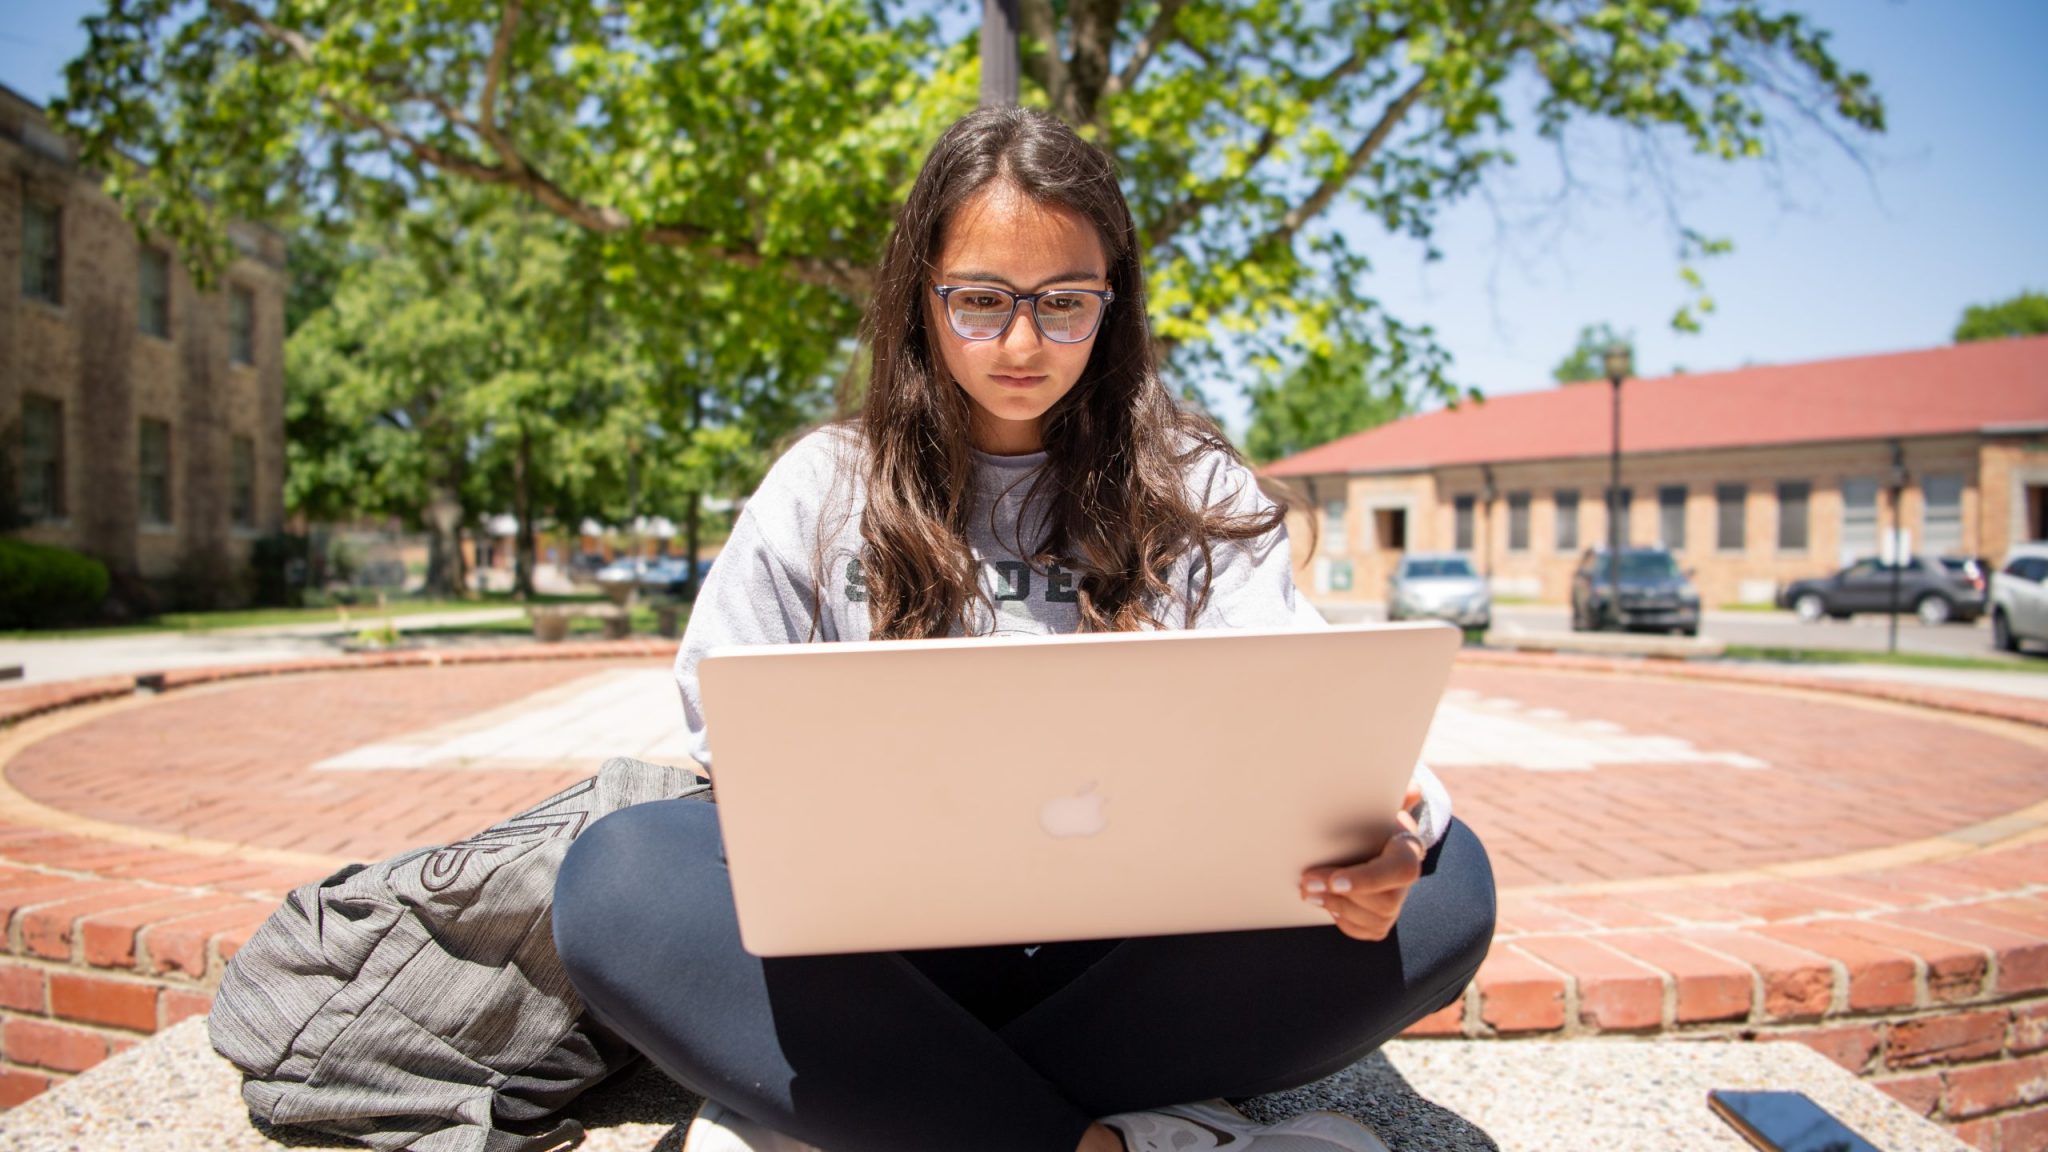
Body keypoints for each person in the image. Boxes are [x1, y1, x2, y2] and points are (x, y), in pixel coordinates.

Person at [552, 106, 1495, 1152]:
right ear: (922, 293)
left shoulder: (1190, 485)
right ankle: (1105, 1138)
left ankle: (888, 1107)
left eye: (1061, 303)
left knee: (1446, 893)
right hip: (890, 953)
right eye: (979, 301)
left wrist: (1396, 832)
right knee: (620, 877)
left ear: (1112, 300)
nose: (1018, 342)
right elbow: (727, 739)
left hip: (1130, 948)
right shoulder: (820, 485)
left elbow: (1327, 722)